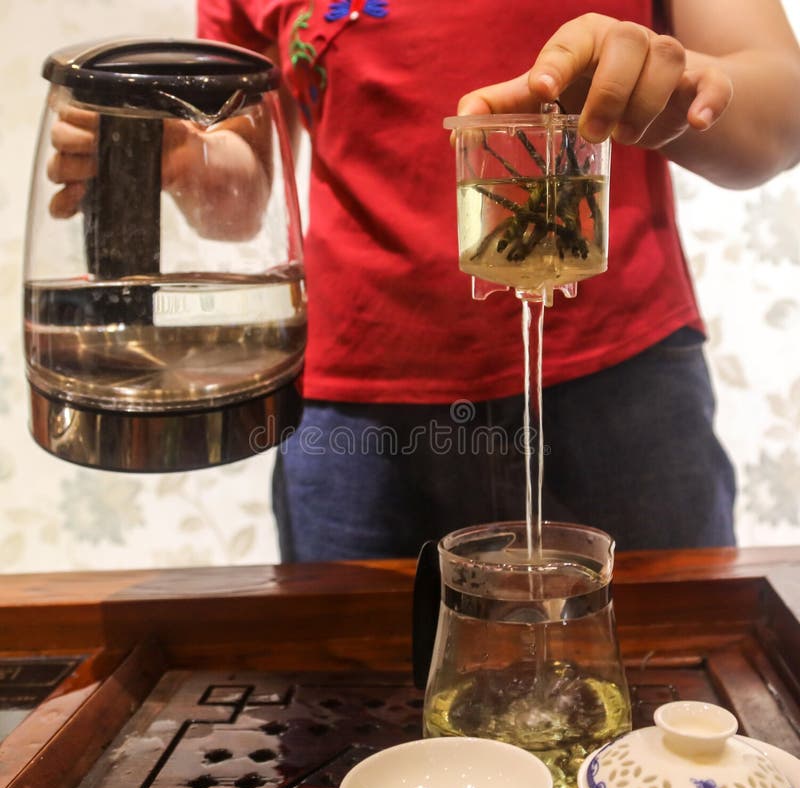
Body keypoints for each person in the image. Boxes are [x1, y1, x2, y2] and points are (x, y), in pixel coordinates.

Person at [50, 2, 800, 559]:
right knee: (353, 724)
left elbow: (782, 104)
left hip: (621, 379)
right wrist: (188, 156)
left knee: (660, 690)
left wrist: (685, 93)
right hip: (353, 412)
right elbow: (242, 193)